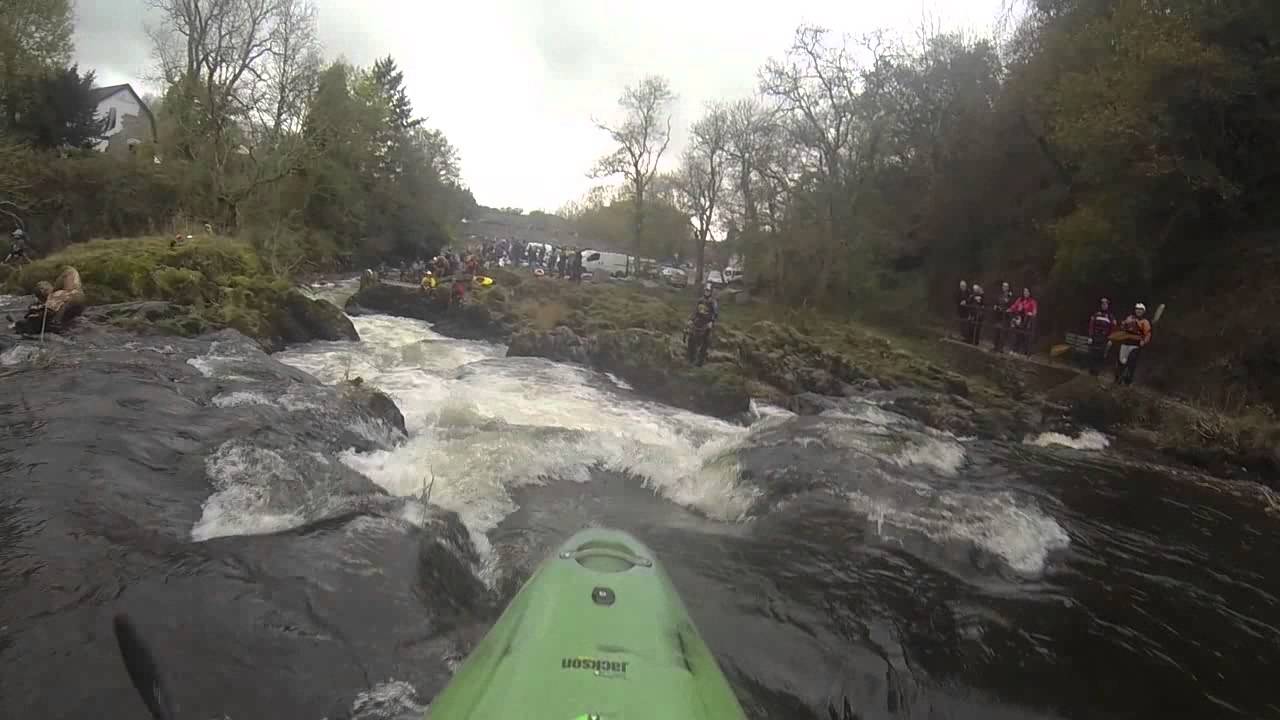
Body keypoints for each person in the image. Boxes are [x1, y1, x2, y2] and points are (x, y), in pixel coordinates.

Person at [1114, 302, 1153, 385]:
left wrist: (1144, 341)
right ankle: (1117, 380)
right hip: (1125, 343)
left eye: (1140, 310)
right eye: (1137, 309)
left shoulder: (1145, 322)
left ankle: (1127, 382)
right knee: (1121, 362)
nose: (1138, 311)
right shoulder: (1129, 318)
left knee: (1131, 363)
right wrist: (1123, 324)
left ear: (1143, 311)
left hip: (1135, 345)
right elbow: (1122, 327)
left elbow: (1148, 334)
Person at [686, 285, 720, 366]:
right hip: (698, 321)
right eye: (705, 290)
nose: (706, 292)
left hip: (707, 322)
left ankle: (700, 361)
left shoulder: (713, 302)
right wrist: (691, 319)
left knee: (705, 341)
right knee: (691, 338)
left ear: (710, 292)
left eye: (708, 291)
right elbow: (695, 311)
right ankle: (691, 358)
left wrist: (711, 321)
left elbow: (715, 313)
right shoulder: (700, 300)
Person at [1086, 297, 1116, 376]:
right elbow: (1091, 326)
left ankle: (1097, 372)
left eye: (1105, 304)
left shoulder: (1111, 316)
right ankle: (1091, 371)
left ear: (1108, 305)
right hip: (1095, 337)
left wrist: (1110, 340)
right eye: (1102, 304)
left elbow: (1113, 329)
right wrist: (1090, 337)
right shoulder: (1096, 314)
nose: (1104, 305)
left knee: (1100, 355)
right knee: (1092, 354)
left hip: (1104, 338)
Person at [1008, 287, 1039, 354]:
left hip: (1026, 321)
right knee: (1016, 334)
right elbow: (1014, 306)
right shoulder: (1020, 299)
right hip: (1018, 318)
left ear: (1030, 293)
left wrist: (1032, 313)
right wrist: (1010, 309)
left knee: (1024, 336)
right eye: (1024, 291)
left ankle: (1023, 352)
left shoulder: (1032, 301)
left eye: (1027, 291)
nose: (1025, 293)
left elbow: (1034, 311)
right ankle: (1013, 349)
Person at [991, 281, 1014, 351]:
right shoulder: (999, 295)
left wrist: (1006, 309)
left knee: (1002, 333)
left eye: (1006, 286)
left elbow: (1011, 305)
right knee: (996, 332)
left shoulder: (1010, 296)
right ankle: (995, 346)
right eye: (1003, 286)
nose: (1004, 287)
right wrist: (995, 306)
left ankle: (1001, 348)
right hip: (998, 315)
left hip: (1005, 317)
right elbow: (996, 302)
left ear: (1008, 287)